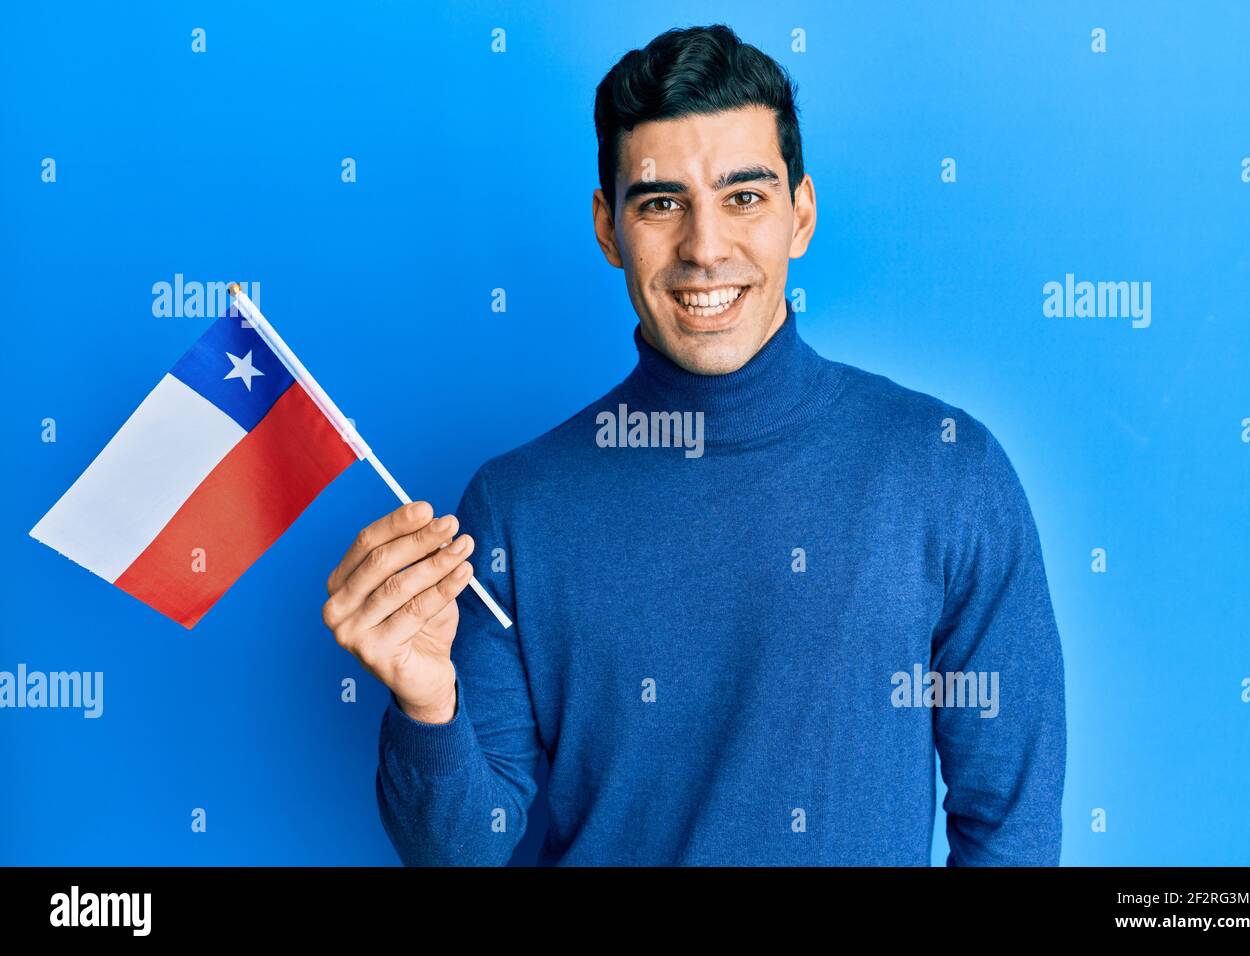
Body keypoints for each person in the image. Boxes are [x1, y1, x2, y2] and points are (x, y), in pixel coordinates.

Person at [322, 24, 1066, 866]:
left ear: (801, 215)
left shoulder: (947, 469)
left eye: (744, 197)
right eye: (661, 202)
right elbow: (461, 850)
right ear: (608, 228)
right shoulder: (515, 506)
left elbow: (1012, 830)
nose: (704, 249)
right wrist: (427, 707)